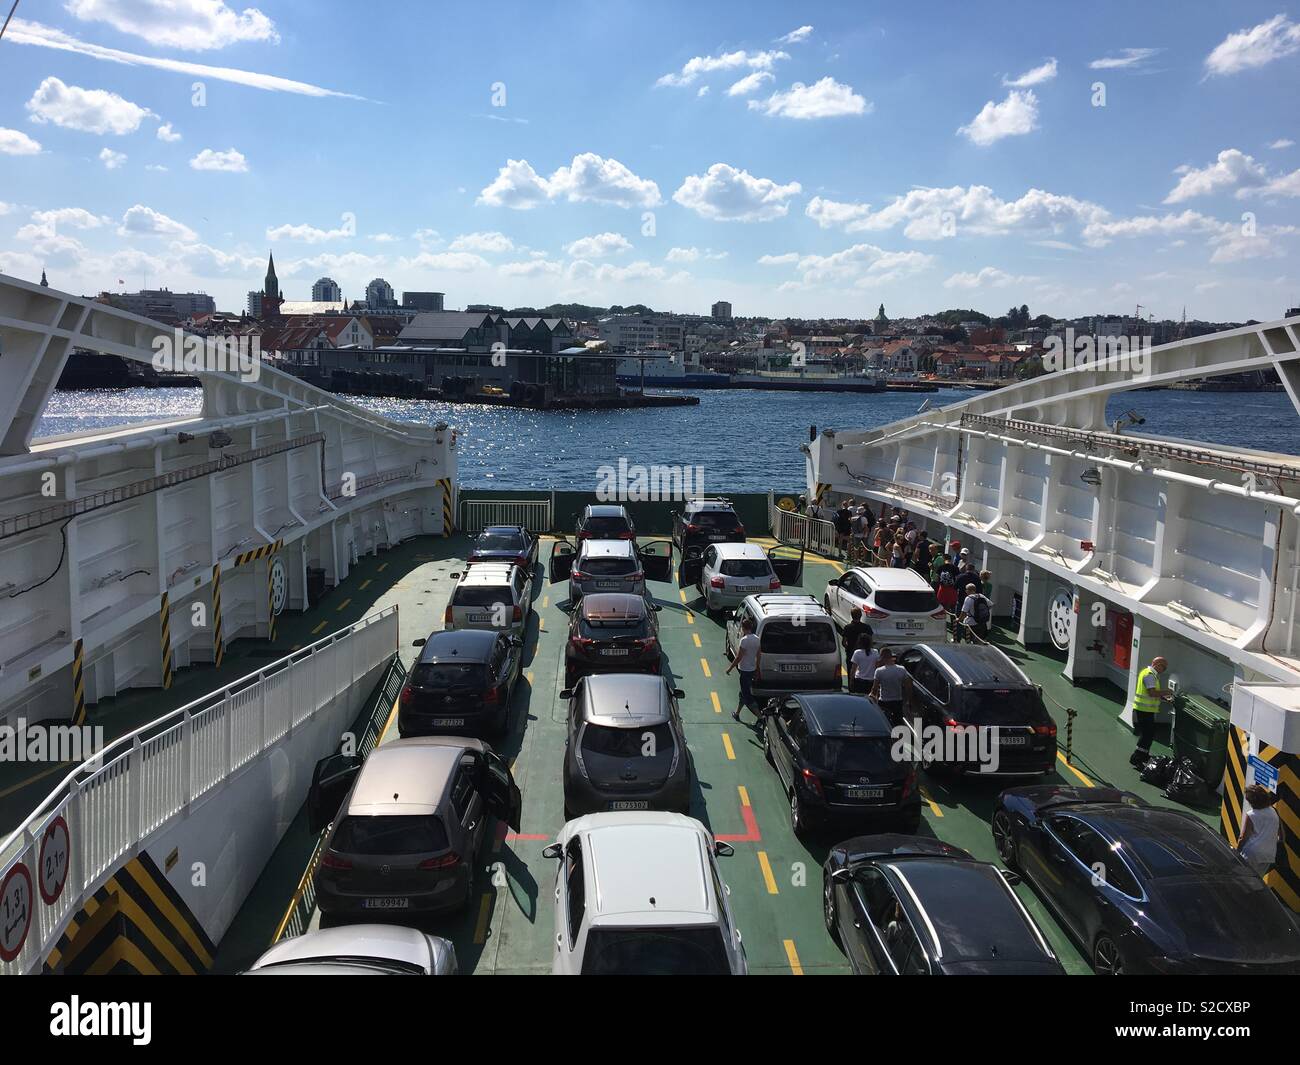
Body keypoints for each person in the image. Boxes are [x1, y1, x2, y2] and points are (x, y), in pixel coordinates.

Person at [1130, 655, 1173, 763]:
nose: (1164, 671)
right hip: (1144, 710)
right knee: (1147, 734)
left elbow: (1152, 692)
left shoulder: (1147, 672)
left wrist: (1164, 698)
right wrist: (1168, 692)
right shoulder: (1149, 675)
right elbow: (1152, 692)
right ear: (1158, 665)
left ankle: (1143, 754)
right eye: (1164, 668)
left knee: (1148, 733)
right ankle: (1136, 756)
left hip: (1145, 709)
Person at [1236, 785, 1281, 876]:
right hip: (1268, 854)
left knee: (1243, 879)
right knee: (1256, 880)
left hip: (1252, 854)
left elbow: (1243, 837)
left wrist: (1236, 852)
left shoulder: (1251, 815)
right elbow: (1280, 833)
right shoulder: (1273, 811)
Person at [726, 617, 762, 724]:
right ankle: (737, 714)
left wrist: (730, 668)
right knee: (743, 692)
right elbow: (759, 655)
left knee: (747, 696)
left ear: (743, 628)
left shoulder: (744, 641)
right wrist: (757, 669)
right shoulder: (757, 639)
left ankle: (760, 717)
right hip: (752, 669)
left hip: (744, 671)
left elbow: (738, 657)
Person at [869, 647, 912, 724]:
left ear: (882, 657)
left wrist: (871, 698)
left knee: (885, 723)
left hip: (884, 702)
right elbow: (908, 686)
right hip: (897, 701)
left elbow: (874, 689)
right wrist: (907, 700)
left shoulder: (879, 671)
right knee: (898, 722)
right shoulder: (901, 669)